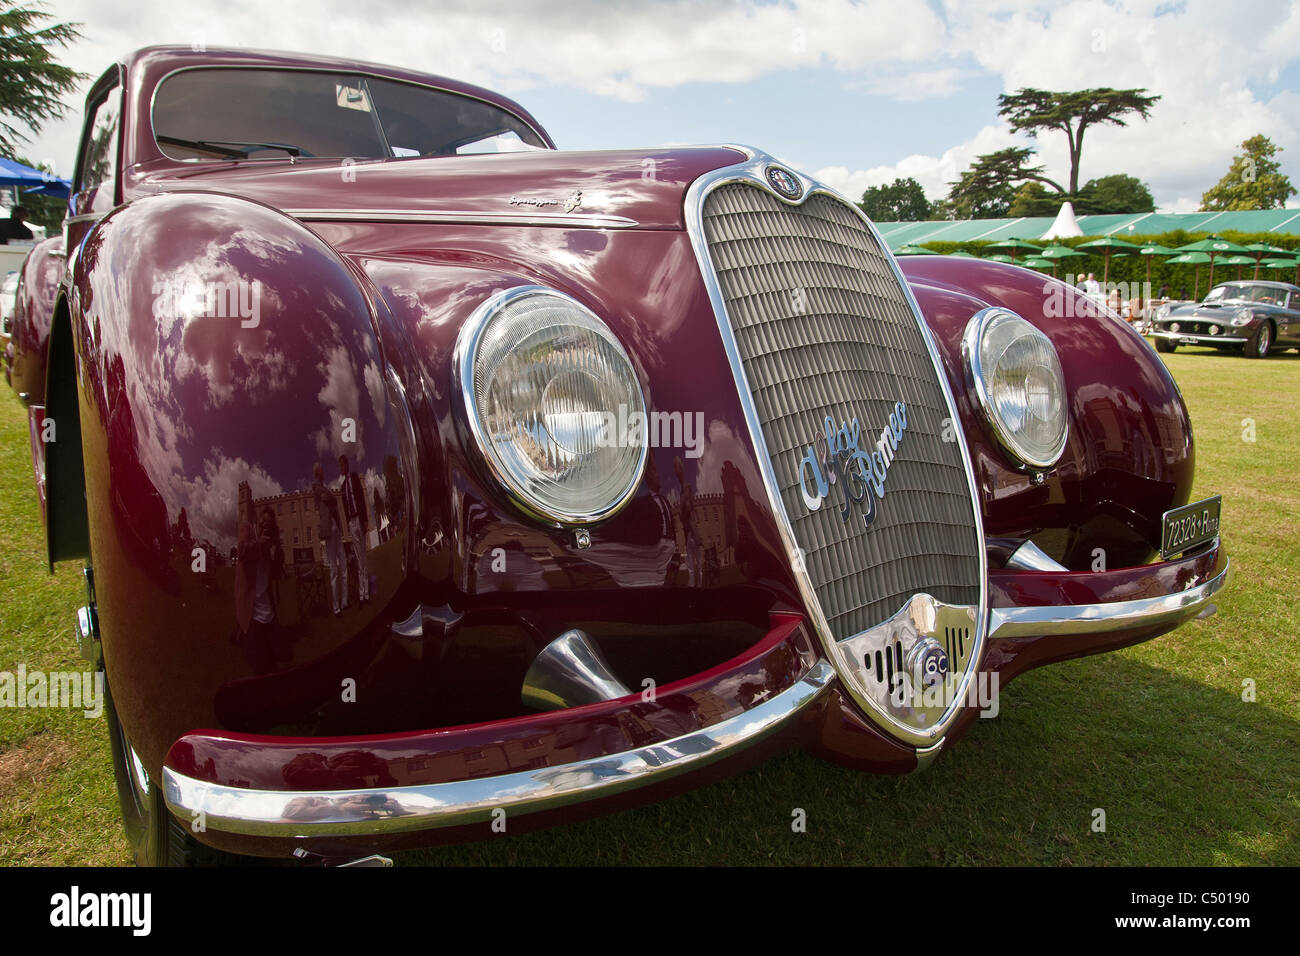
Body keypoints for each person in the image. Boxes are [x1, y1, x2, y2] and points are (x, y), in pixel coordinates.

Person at [312, 462, 345, 615]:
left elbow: (333, 499)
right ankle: (336, 607)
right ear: (317, 473)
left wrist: (330, 498)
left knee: (343, 565)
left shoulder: (324, 489)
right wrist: (330, 498)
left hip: (337, 527)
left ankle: (344, 602)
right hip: (329, 530)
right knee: (333, 569)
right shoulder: (316, 486)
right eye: (322, 471)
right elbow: (326, 496)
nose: (324, 473)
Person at [338, 454, 370, 604]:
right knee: (358, 559)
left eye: (342, 465)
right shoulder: (342, 487)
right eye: (340, 466)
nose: (341, 468)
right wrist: (347, 526)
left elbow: (361, 499)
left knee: (363, 556)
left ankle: (367, 592)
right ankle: (362, 595)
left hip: (359, 518)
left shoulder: (355, 477)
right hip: (351, 522)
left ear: (347, 465)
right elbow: (344, 508)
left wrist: (364, 520)